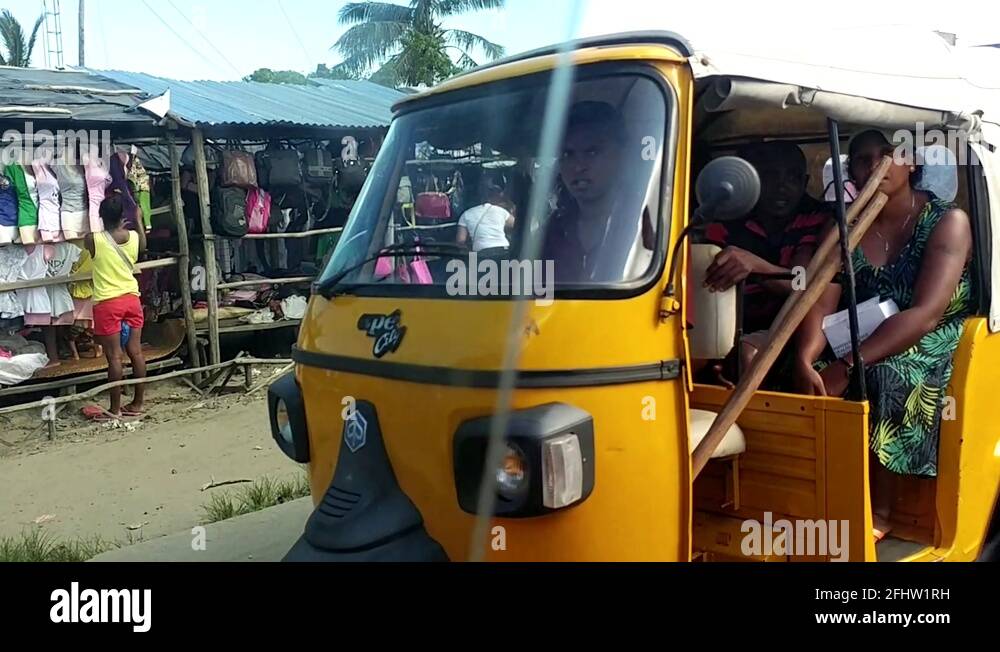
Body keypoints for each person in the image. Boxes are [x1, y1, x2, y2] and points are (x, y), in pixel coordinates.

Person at [793, 129, 973, 543]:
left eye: (887, 155)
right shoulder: (847, 227)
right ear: (851, 171)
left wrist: (848, 364)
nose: (875, 165)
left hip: (930, 337)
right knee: (799, 373)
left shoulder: (947, 221)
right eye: (862, 158)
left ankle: (882, 508)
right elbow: (820, 300)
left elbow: (926, 313)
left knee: (885, 376)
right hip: (864, 332)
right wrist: (806, 358)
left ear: (910, 163)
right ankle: (813, 495)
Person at [698, 141, 829, 386]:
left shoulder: (815, 218)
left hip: (794, 326)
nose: (782, 186)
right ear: (753, 180)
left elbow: (802, 285)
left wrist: (755, 267)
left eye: (792, 177)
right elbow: (703, 275)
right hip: (729, 321)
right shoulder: (728, 221)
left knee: (748, 355)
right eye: (770, 176)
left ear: (805, 182)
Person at [85, 192, 148, 419]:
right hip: (131, 299)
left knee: (114, 357)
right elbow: (143, 246)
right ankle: (138, 403)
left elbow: (94, 246)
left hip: (107, 302)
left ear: (101, 216)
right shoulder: (133, 236)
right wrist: (139, 219)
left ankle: (114, 408)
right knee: (136, 352)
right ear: (123, 216)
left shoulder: (93, 239)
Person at [456, 173, 516, 257]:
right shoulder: (500, 211)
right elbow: (516, 226)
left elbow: (460, 241)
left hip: (481, 253)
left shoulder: (465, 215)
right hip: (503, 250)